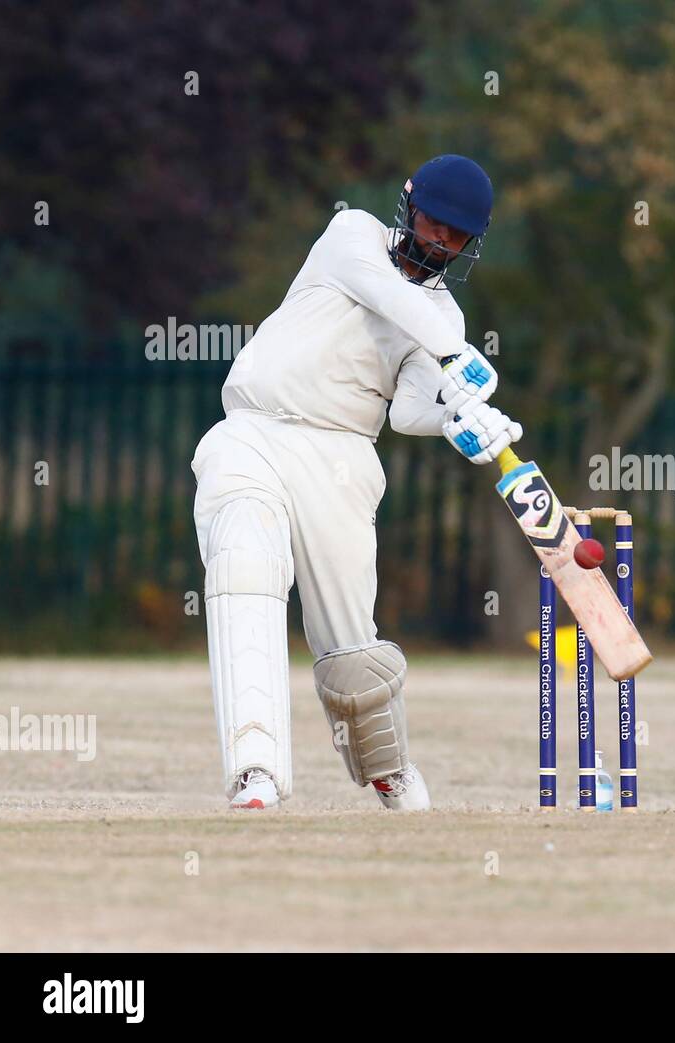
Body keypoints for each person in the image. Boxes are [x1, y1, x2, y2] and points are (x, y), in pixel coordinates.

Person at [191, 154, 522, 811]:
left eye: (458, 236)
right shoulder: (354, 236)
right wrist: (458, 358)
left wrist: (461, 420)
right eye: (434, 224)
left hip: (340, 459)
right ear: (408, 206)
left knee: (349, 646)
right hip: (252, 430)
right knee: (243, 563)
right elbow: (391, 299)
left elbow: (410, 408)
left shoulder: (446, 320)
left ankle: (388, 768)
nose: (441, 243)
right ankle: (255, 769)